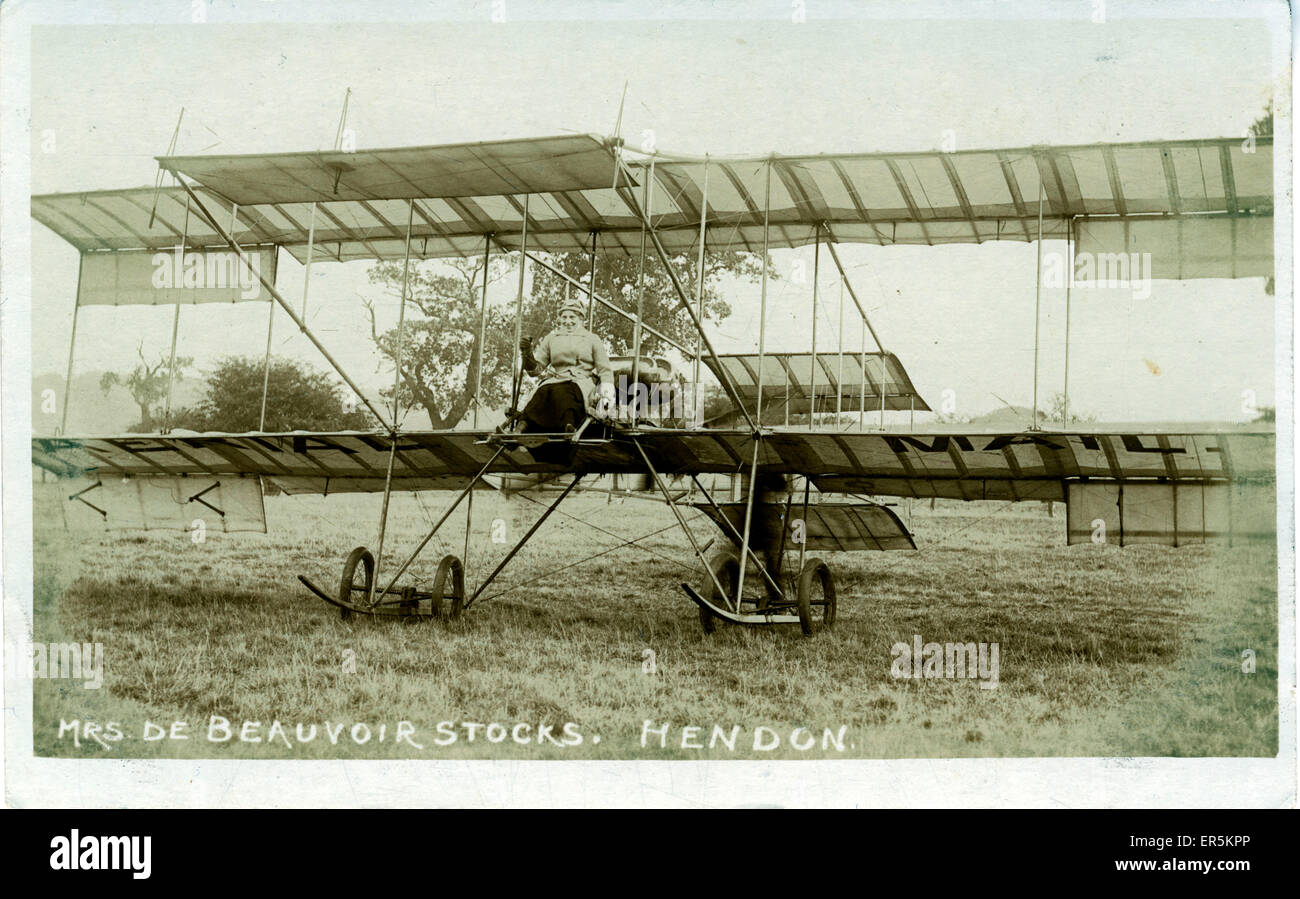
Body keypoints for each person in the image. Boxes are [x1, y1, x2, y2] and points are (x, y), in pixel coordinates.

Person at [516, 299, 615, 434]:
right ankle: (521, 427)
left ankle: (568, 426)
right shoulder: (551, 338)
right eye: (564, 317)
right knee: (542, 391)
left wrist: (606, 395)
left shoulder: (592, 339)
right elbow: (536, 370)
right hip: (555, 379)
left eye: (572, 317)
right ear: (559, 319)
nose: (568, 321)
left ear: (581, 319)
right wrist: (527, 353)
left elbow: (604, 369)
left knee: (564, 391)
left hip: (581, 381)